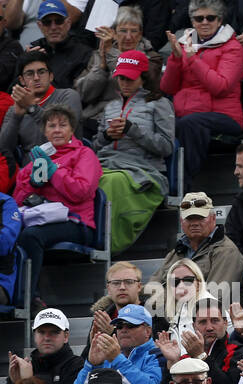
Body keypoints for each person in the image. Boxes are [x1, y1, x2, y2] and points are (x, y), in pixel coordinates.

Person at [13, 105, 101, 303]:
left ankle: (28, 299)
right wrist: (32, 185)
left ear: (72, 130)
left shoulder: (85, 154)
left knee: (31, 235)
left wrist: (54, 171)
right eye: (51, 126)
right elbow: (17, 204)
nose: (57, 130)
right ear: (44, 132)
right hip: (40, 220)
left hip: (76, 222)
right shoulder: (33, 162)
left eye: (63, 125)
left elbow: (81, 191)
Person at [94, 50, 174, 254]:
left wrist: (133, 130)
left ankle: (107, 244)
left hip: (143, 171)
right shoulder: (110, 106)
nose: (124, 82)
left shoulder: (159, 103)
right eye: (121, 77)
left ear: (143, 77)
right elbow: (95, 146)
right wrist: (107, 136)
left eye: (130, 78)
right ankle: (90, 239)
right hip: (107, 165)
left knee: (111, 183)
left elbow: (166, 147)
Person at [159, 1, 243, 182]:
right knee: (159, 124)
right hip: (186, 114)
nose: (204, 22)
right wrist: (175, 58)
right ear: (192, 21)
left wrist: (193, 60)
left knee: (189, 124)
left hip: (223, 115)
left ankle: (182, 184)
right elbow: (168, 88)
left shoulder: (232, 47)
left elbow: (220, 86)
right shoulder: (183, 45)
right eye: (199, 18)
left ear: (219, 20)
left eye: (210, 18)